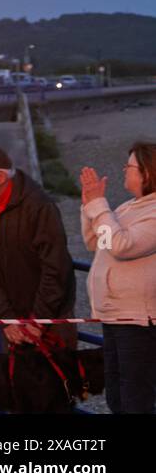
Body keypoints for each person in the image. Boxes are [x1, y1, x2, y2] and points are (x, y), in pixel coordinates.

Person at [0, 144, 77, 351]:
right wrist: (6, 318)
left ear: (1, 178)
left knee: (59, 381)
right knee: (17, 380)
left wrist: (38, 321)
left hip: (52, 316)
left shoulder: (40, 206)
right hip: (12, 318)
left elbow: (55, 267)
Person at [79, 142, 156, 413]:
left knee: (136, 400)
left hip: (138, 321)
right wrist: (89, 204)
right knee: (116, 396)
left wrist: (99, 205)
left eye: (130, 166)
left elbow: (122, 245)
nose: (124, 170)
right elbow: (93, 241)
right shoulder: (128, 208)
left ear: (147, 172)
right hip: (114, 315)